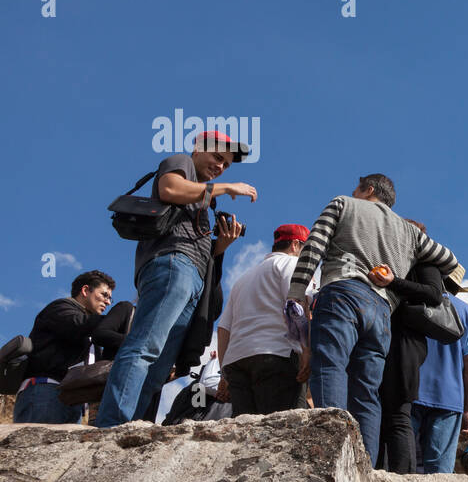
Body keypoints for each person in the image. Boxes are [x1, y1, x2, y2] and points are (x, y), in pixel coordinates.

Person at [285, 174, 463, 466]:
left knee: (330, 366)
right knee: (367, 391)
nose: (353, 191)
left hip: (342, 293)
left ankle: (331, 455)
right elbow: (450, 260)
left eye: (357, 188)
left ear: (368, 190)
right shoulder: (410, 232)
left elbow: (313, 248)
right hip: (381, 310)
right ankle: (363, 466)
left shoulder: (343, 204)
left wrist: (295, 293)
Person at [95, 130, 254, 427]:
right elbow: (169, 189)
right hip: (172, 265)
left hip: (192, 276)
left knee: (160, 364)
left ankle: (133, 424)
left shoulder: (203, 195)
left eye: (227, 165)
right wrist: (224, 187)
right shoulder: (180, 162)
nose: (220, 166)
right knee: (145, 347)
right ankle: (112, 424)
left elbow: (203, 250)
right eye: (217, 157)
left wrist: (221, 246)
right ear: (198, 149)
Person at [373, 219, 468, 473]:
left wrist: (393, 282)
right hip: (392, 341)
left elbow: (433, 294)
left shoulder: (423, 260)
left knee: (397, 415)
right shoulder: (395, 256)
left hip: (405, 345)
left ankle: (400, 479)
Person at [215, 224, 313, 417]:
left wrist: (224, 373)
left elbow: (223, 329)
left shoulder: (243, 279)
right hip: (277, 355)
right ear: (295, 245)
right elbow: (297, 303)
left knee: (247, 437)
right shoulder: (292, 264)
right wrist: (306, 350)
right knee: (285, 431)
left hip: (237, 362)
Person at [14, 270, 131, 424]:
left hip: (73, 401)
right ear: (85, 290)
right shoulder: (61, 308)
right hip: (44, 391)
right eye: (104, 295)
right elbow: (78, 324)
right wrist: (119, 315)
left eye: (110, 298)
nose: (108, 302)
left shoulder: (92, 334)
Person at [408, 282, 468, 474]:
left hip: (412, 389)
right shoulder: (466, 312)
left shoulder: (413, 300)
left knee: (404, 462)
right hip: (449, 398)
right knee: (440, 471)